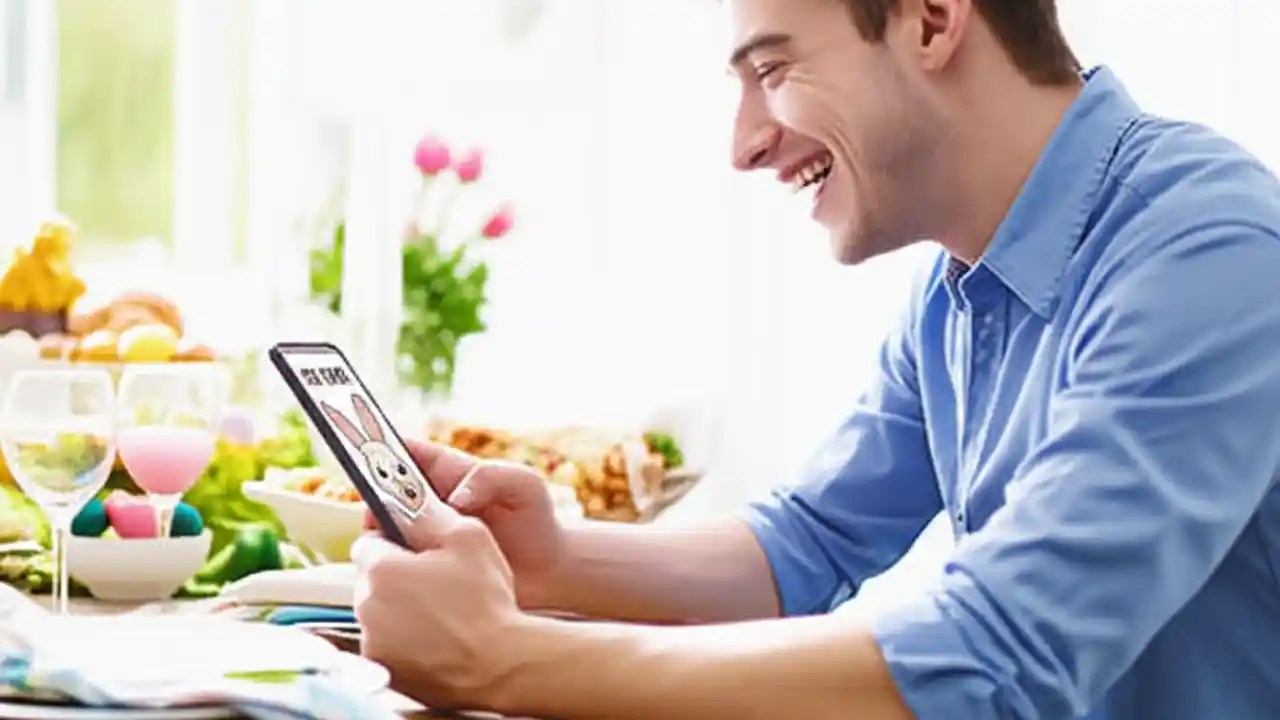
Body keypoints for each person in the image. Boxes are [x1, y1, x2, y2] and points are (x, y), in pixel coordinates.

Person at [351, 0, 1280, 717]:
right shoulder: (960, 288)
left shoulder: (1207, 249)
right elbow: (804, 545)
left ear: (931, 18)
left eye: (775, 68)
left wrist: (502, 658)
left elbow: (1001, 655)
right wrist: (550, 560)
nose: (745, 143)